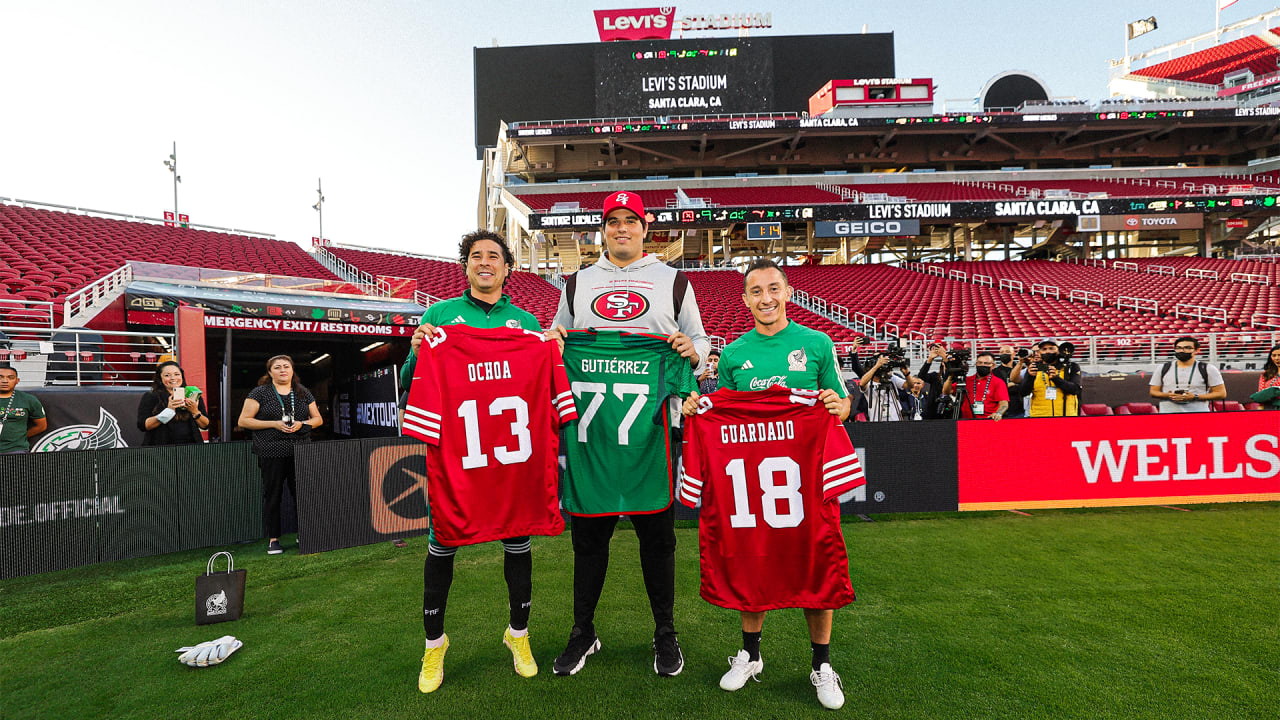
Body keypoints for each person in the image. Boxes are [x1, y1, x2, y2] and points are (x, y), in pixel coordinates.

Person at [546, 190, 709, 678]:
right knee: (588, 542)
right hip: (591, 437)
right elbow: (555, 345)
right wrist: (554, 342)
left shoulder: (673, 281)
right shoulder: (577, 283)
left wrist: (692, 350)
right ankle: (583, 632)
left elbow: (700, 341)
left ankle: (665, 632)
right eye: (613, 221)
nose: (621, 228)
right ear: (603, 229)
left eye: (630, 221)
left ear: (645, 226)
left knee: (657, 541)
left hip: (652, 435)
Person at [680, 258, 851, 709]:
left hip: (806, 485)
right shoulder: (734, 354)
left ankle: (821, 664)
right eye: (756, 291)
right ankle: (750, 655)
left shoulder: (816, 343)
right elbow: (722, 410)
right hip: (752, 491)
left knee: (816, 566)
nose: (766, 298)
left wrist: (837, 406)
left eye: (773, 288)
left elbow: (843, 405)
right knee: (751, 566)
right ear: (745, 300)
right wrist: (697, 409)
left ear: (788, 292)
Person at [402, 230, 544, 692]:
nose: (485, 262)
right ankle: (434, 644)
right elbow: (408, 382)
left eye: (494, 256)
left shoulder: (526, 324)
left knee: (518, 544)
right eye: (476, 256)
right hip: (458, 457)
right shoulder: (439, 316)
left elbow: (539, 384)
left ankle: (518, 634)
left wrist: (552, 351)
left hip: (509, 457)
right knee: (442, 545)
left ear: (507, 267)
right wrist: (417, 352)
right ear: (465, 266)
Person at [236, 355, 322, 556]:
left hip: (300, 450)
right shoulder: (260, 393)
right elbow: (244, 421)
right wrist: (274, 424)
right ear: (270, 372)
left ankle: (304, 533)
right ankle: (274, 539)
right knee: (273, 495)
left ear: (292, 370)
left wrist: (302, 424)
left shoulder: (303, 392)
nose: (282, 370)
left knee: (302, 494)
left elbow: (318, 419)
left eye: (286, 366)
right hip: (271, 451)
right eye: (277, 367)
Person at [136, 361, 209, 445]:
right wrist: (168, 412)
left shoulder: (191, 394)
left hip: (190, 448)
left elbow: (205, 425)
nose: (173, 378)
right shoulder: (151, 396)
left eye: (177, 374)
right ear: (160, 378)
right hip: (161, 448)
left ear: (182, 376)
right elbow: (143, 425)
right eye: (167, 375)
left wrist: (195, 412)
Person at [1148, 337, 1226, 414]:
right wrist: (1168, 395)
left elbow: (1221, 393)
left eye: (1187, 348)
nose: (1182, 351)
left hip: (1198, 415)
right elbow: (1153, 392)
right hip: (1168, 415)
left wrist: (1195, 397)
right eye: (1178, 348)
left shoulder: (1208, 368)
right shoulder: (1162, 368)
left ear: (1197, 350)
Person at [1017, 340, 1081, 417]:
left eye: (1051, 348)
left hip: (1066, 416)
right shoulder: (1034, 367)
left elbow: (1076, 389)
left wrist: (1056, 378)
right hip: (1039, 416)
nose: (1047, 351)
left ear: (1058, 350)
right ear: (1039, 352)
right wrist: (1030, 377)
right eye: (1044, 349)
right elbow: (1023, 393)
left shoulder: (1071, 366)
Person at [941, 352, 1009, 421]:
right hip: (966, 421)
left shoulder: (998, 382)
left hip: (988, 421)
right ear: (976, 364)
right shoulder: (967, 380)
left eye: (986, 363)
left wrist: (998, 413)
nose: (982, 365)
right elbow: (946, 391)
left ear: (993, 365)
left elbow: (1004, 403)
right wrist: (950, 377)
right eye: (980, 363)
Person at [0, 365, 46, 454]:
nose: (5, 381)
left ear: (17, 381)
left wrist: (21, 437)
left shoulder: (29, 399)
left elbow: (41, 426)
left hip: (16, 449)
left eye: (10, 378)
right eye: (0, 377)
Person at [858, 352, 906, 421]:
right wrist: (877, 366)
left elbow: (909, 385)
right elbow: (862, 384)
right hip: (876, 420)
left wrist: (907, 374)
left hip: (895, 420)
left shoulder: (892, 378)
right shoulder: (868, 382)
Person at [993, 345, 1024, 419]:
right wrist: (1008, 385)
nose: (1004, 354)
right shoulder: (995, 372)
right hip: (1002, 411)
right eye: (1001, 352)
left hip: (1020, 410)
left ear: (1014, 354)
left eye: (1007, 352)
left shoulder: (1022, 369)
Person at [1250, 344, 1280, 409]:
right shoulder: (1265, 374)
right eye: (1274, 355)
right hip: (1268, 408)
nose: (1277, 358)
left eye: (1279, 355)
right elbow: (1260, 396)